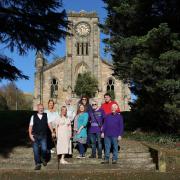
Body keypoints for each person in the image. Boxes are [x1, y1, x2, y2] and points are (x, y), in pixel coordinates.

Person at [29, 104, 55, 170]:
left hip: (43, 136)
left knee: (44, 149)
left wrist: (52, 132)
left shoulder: (46, 115)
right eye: (40, 108)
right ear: (37, 109)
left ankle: (43, 158)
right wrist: (30, 134)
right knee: (35, 150)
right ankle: (38, 163)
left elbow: (49, 124)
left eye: (42, 108)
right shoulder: (33, 116)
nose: (41, 109)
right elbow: (30, 126)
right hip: (35, 136)